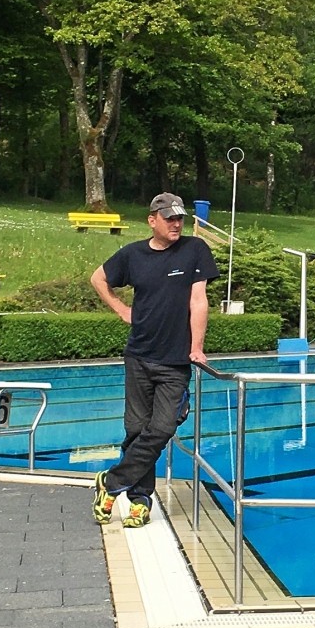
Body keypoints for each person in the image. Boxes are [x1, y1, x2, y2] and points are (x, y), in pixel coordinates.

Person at [89, 193, 218, 528]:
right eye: (170, 218)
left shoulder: (194, 250)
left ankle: (112, 482)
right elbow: (98, 279)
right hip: (139, 356)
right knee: (135, 429)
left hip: (175, 361)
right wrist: (121, 309)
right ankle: (139, 501)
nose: (177, 224)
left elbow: (198, 300)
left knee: (161, 428)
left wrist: (198, 346)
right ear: (152, 220)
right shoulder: (133, 255)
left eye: (180, 219)